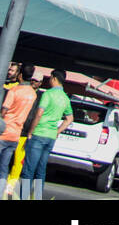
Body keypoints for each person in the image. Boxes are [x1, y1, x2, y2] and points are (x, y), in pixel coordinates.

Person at [19, 69, 73, 200]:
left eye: (50, 78)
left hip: (39, 134)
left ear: (54, 78)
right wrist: (57, 131)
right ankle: (37, 197)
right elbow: (69, 119)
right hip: (50, 136)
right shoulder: (65, 98)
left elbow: (39, 114)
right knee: (41, 170)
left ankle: (22, 197)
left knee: (28, 170)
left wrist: (30, 132)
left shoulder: (48, 94)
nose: (49, 80)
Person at [0, 64, 38, 194]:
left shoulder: (14, 90)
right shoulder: (33, 94)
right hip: (16, 134)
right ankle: (3, 190)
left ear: (20, 75)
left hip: (5, 131)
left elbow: (4, 111)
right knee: (5, 165)